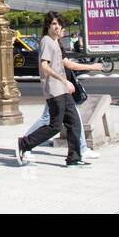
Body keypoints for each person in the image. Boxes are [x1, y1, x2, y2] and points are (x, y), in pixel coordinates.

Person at [17, 11, 88, 167]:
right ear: (48, 26)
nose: (57, 27)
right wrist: (64, 80)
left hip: (63, 90)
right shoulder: (47, 42)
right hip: (54, 90)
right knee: (55, 126)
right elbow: (44, 66)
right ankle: (26, 143)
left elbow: (65, 64)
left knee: (74, 122)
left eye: (59, 24)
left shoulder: (55, 42)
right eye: (54, 24)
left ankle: (74, 157)